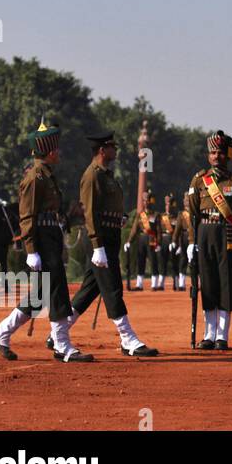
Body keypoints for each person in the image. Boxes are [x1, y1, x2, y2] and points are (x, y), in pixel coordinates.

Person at [0, 122, 94, 362]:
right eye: (57, 148)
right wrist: (31, 250)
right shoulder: (35, 177)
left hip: (51, 237)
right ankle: (61, 344)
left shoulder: (46, 175)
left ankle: (0, 332)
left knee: (41, 296)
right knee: (55, 290)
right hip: (42, 240)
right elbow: (27, 216)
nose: (60, 153)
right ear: (49, 151)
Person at [68, 133, 157, 356]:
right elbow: (89, 213)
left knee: (89, 290)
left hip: (110, 235)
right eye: (112, 147)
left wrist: (119, 218)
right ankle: (128, 338)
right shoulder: (92, 176)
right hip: (99, 240)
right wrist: (97, 246)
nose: (115, 150)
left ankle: (58, 332)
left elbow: (106, 208)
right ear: (102, 150)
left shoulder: (106, 175)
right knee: (112, 287)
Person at [184, 130, 232, 350]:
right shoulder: (199, 179)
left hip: (228, 235)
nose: (216, 157)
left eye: (220, 152)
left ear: (228, 154)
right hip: (205, 234)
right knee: (209, 284)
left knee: (226, 283)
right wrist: (192, 241)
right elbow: (192, 214)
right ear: (208, 155)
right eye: (212, 152)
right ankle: (208, 333)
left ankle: (222, 335)